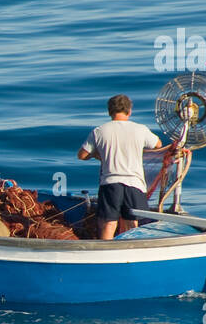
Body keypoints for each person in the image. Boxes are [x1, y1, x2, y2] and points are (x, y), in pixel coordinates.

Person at [77, 94, 183, 240]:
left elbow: (82, 155)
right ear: (129, 111)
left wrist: (99, 156)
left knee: (108, 224)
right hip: (135, 184)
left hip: (110, 184)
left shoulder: (99, 131)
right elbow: (158, 145)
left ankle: (106, 256)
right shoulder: (140, 129)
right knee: (133, 224)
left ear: (109, 111)